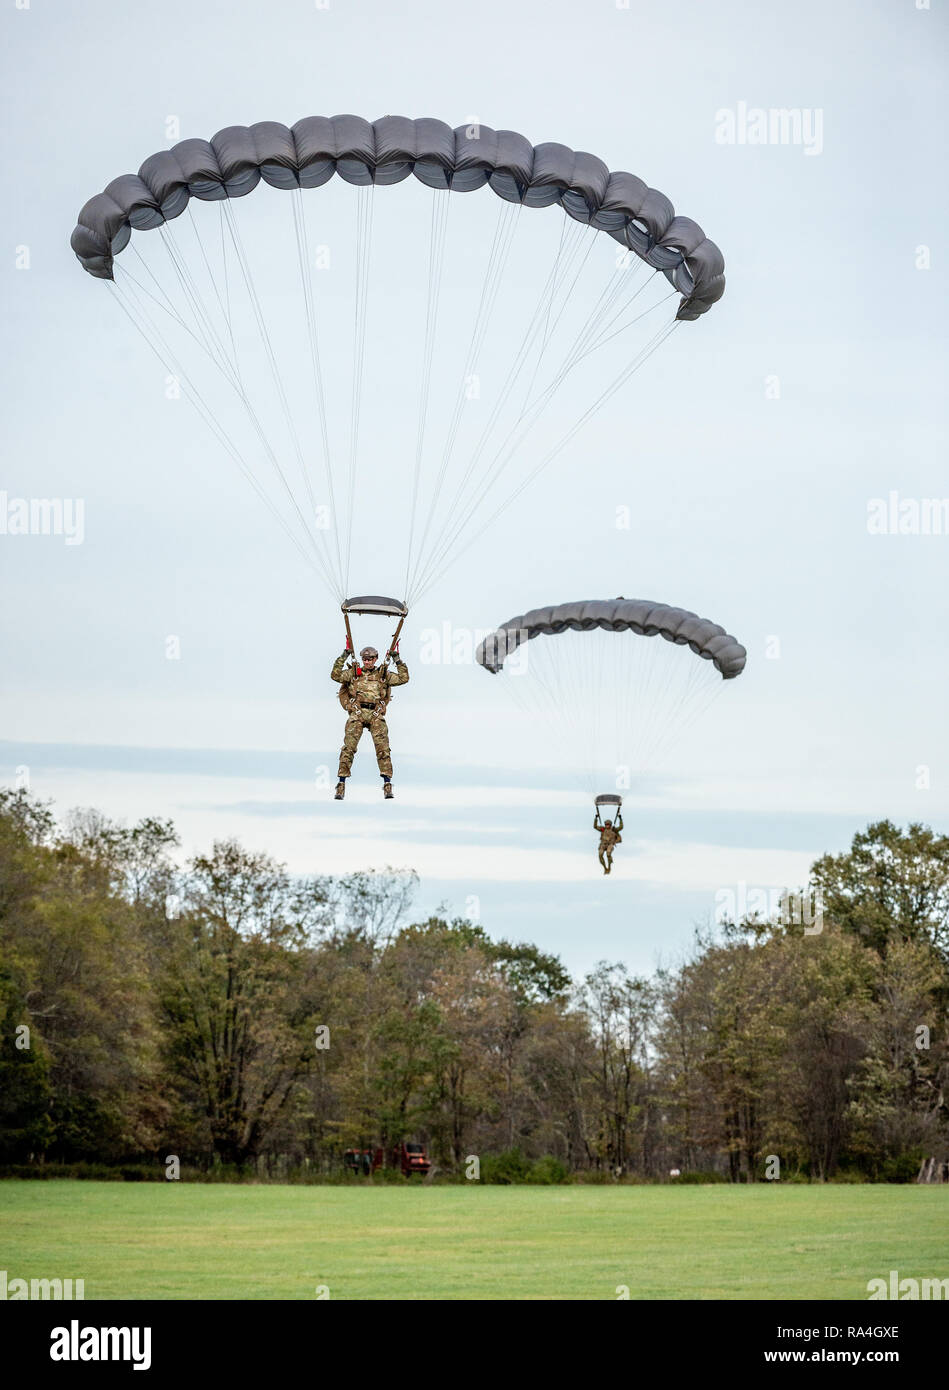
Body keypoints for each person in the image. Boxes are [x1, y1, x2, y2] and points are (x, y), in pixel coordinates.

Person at [332, 643, 409, 799]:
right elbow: (335, 675)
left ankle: (387, 784)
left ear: (375, 659)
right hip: (358, 713)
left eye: (370, 659)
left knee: (383, 749)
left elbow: (403, 678)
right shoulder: (354, 673)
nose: (367, 662)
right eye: (365, 659)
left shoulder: (383, 675)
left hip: (375, 714)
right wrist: (344, 655)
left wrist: (397, 658)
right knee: (348, 748)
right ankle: (341, 784)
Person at [594, 808, 623, 874]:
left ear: (610, 825)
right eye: (606, 824)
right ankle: (605, 868)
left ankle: (609, 867)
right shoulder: (603, 829)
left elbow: (621, 827)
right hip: (603, 844)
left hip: (610, 844)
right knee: (600, 854)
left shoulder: (613, 829)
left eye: (608, 824)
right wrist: (596, 818)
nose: (607, 825)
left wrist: (620, 819)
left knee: (608, 853)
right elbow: (595, 826)